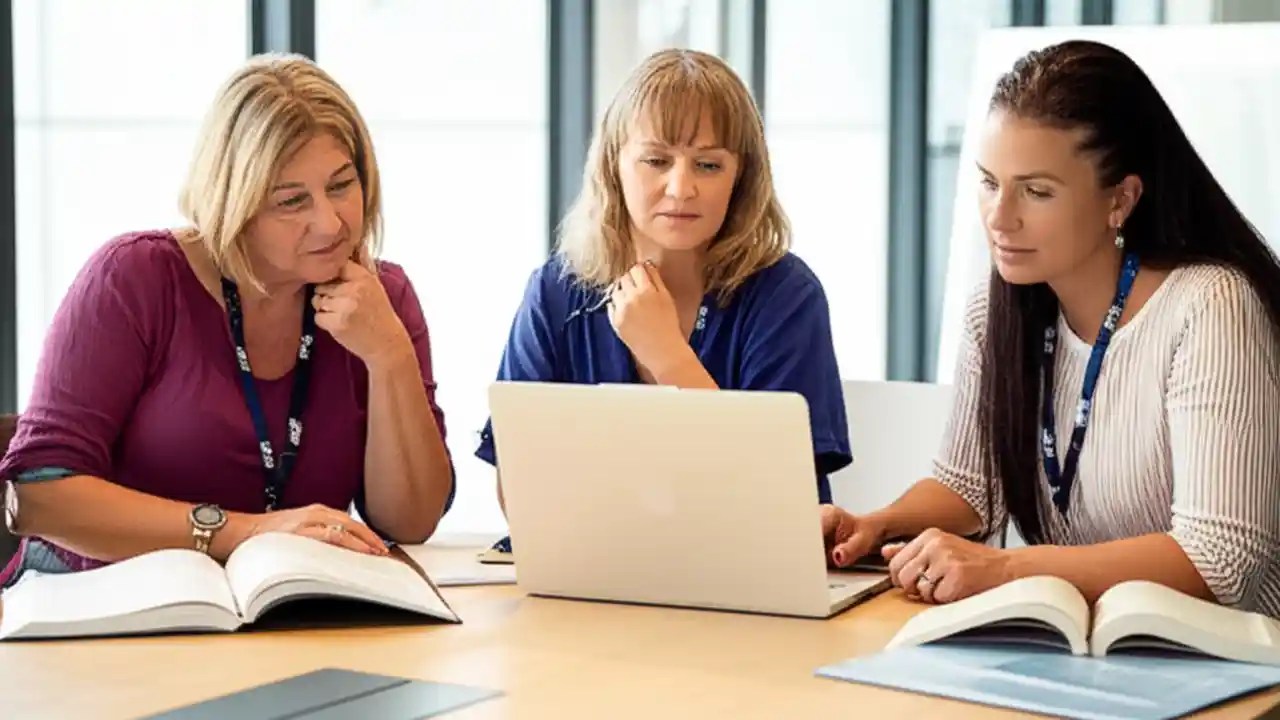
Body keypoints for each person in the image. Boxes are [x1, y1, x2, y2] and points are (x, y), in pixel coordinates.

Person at [825, 40, 1280, 618]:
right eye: (990, 182)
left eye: (1036, 191)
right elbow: (970, 488)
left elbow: (1221, 559)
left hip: (1234, 671)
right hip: (1091, 657)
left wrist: (1006, 569)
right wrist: (871, 527)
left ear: (1121, 199)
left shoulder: (1210, 307)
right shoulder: (995, 313)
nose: (999, 216)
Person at [0, 53, 455, 590]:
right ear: (231, 202)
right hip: (102, 610)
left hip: (285, 618)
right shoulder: (135, 278)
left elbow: (410, 522)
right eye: (291, 201)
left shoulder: (383, 296)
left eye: (341, 185)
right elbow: (37, 496)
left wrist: (389, 356)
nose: (330, 223)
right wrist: (245, 531)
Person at [475, 49, 851, 559]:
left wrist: (667, 355)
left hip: (750, 588)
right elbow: (520, 497)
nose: (681, 187)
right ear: (615, 164)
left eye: (708, 164)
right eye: (656, 160)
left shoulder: (786, 297)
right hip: (590, 579)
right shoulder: (556, 292)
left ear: (740, 177)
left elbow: (774, 506)